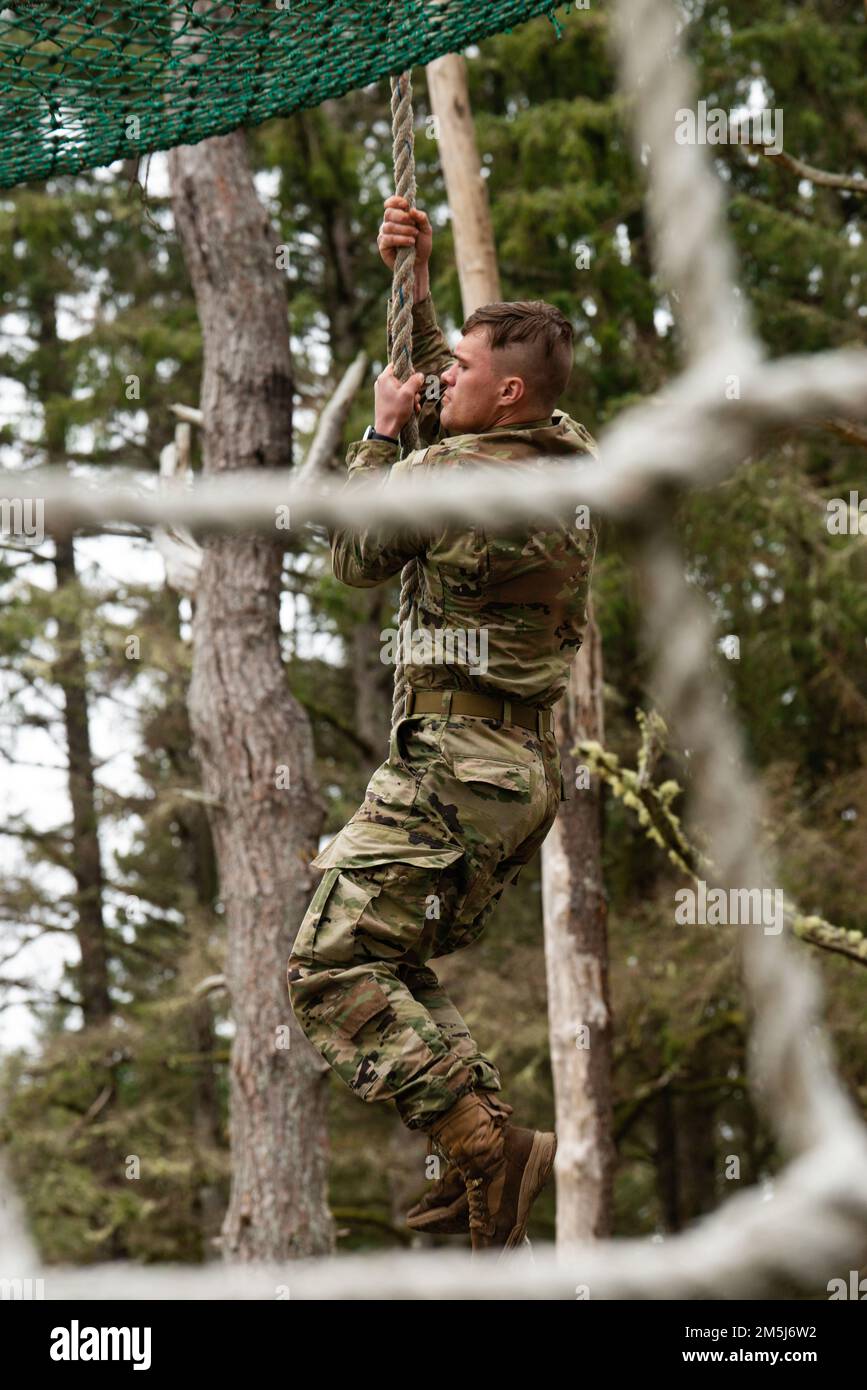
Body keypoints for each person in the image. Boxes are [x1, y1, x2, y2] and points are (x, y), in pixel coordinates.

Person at [287, 194, 598, 1253]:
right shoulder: (564, 450)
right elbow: (461, 379)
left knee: (327, 966)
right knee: (390, 961)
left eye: (457, 371)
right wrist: (408, 279)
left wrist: (377, 432)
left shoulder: (446, 476)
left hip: (454, 767)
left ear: (505, 390)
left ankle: (480, 1146)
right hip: (511, 776)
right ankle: (491, 1157)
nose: (435, 379)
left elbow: (353, 557)